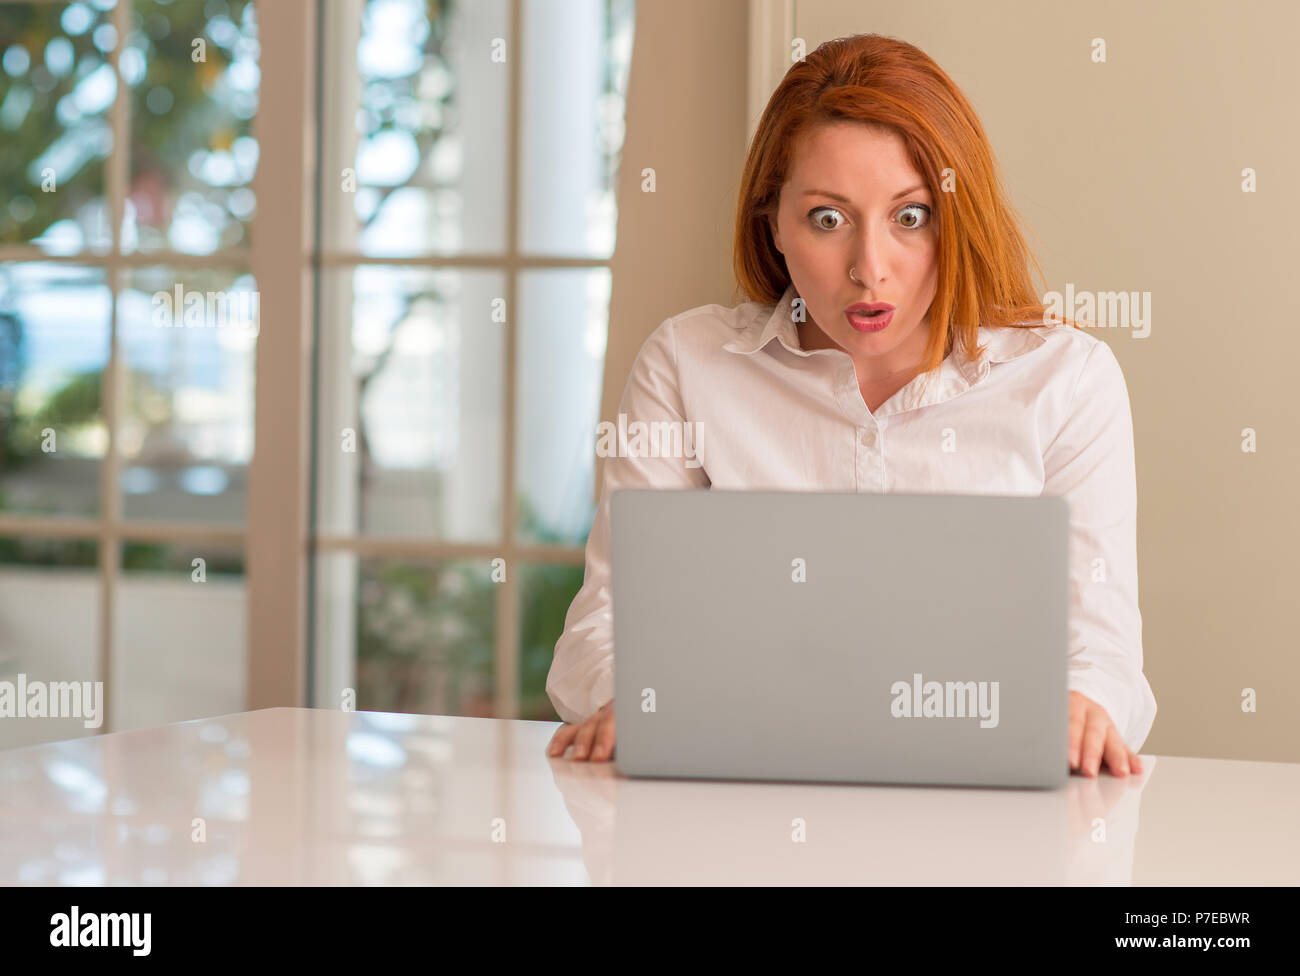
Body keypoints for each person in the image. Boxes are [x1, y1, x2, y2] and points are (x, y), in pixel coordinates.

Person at [545, 32, 1156, 778]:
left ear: (957, 214)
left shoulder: (1067, 380)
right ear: (773, 222)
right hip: (736, 812)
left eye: (911, 216)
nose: (871, 270)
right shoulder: (687, 364)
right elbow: (600, 631)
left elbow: (1105, 643)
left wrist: (1082, 701)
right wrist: (639, 697)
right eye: (828, 219)